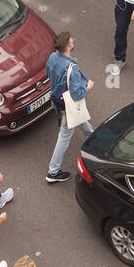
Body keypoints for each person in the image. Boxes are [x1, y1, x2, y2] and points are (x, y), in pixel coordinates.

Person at [45, 32, 94, 184]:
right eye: (71, 41)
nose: (73, 42)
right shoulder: (71, 68)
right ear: (68, 47)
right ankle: (53, 172)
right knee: (64, 136)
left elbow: (48, 73)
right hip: (68, 106)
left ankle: (92, 137)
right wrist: (88, 87)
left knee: (79, 120)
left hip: (57, 101)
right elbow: (77, 94)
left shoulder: (53, 57)